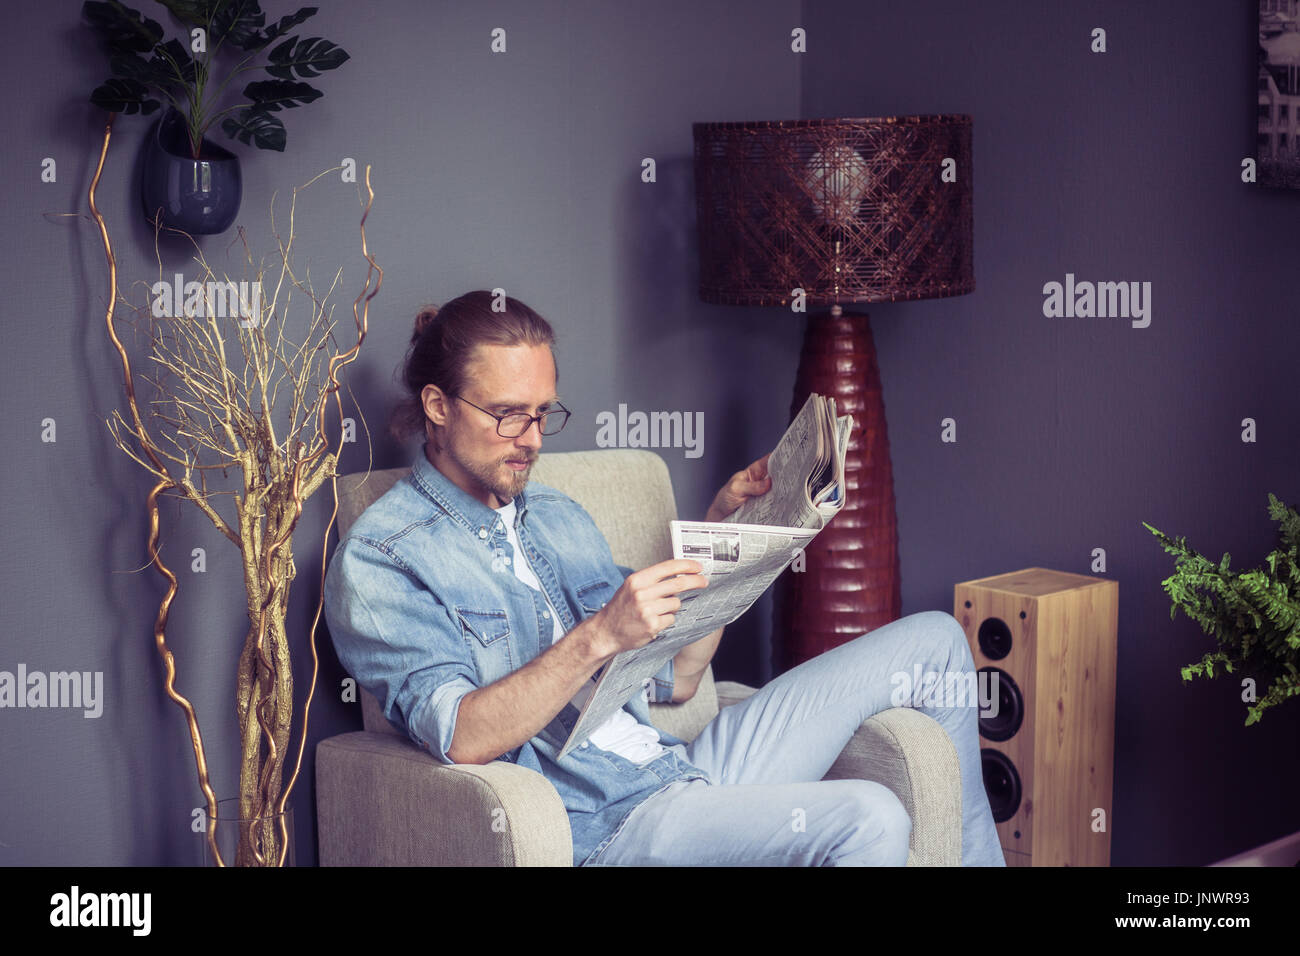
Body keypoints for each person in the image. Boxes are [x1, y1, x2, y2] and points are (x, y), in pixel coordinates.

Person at [323, 290, 1005, 867]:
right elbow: (461, 737)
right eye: (506, 415)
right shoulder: (384, 558)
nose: (531, 440)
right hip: (609, 823)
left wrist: (728, 535)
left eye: (542, 414)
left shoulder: (556, 515)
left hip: (680, 766)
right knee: (869, 813)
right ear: (439, 407)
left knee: (934, 641)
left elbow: (674, 678)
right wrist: (595, 638)